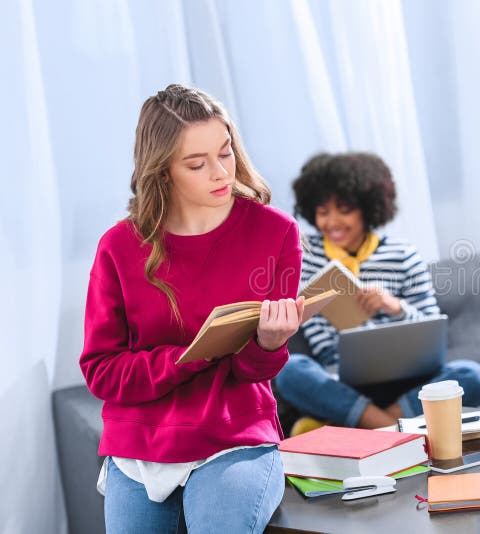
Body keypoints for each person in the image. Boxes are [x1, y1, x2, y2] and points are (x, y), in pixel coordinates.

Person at [80, 84, 303, 533]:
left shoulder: (275, 233)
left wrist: (269, 343)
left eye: (226, 153)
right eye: (197, 164)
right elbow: (101, 370)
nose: (221, 173)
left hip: (234, 434)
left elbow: (254, 374)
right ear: (163, 173)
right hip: (140, 442)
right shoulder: (119, 248)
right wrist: (188, 358)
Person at [274, 152, 480, 432]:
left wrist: (395, 307)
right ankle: (396, 429)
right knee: (291, 370)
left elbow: (432, 332)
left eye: (344, 210)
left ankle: (361, 425)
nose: (332, 223)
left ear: (368, 208)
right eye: (323, 212)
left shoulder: (403, 254)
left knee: (473, 376)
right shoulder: (307, 256)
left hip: (409, 380)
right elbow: (322, 346)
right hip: (345, 381)